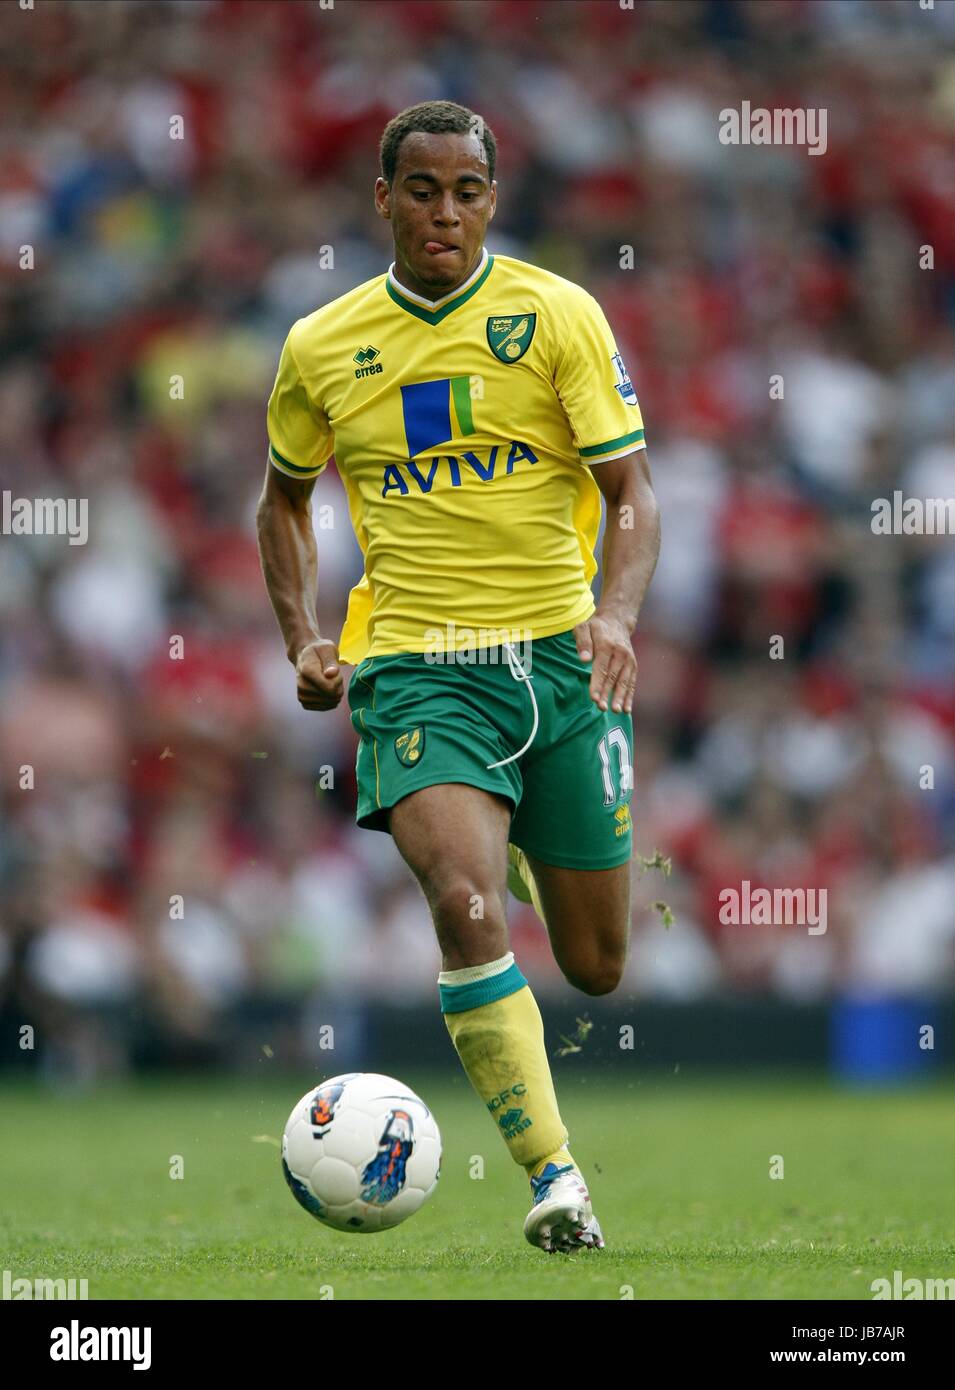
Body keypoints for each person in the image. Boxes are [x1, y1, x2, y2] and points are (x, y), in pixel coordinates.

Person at [257, 100, 660, 1252]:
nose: (445, 211)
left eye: (467, 190)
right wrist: (302, 631)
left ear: (492, 196)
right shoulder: (323, 345)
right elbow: (282, 500)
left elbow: (634, 494)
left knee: (595, 966)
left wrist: (619, 614)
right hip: (420, 671)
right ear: (381, 198)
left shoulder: (554, 315)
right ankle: (555, 1177)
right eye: (422, 189)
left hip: (560, 659)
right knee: (462, 904)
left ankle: (533, 842)